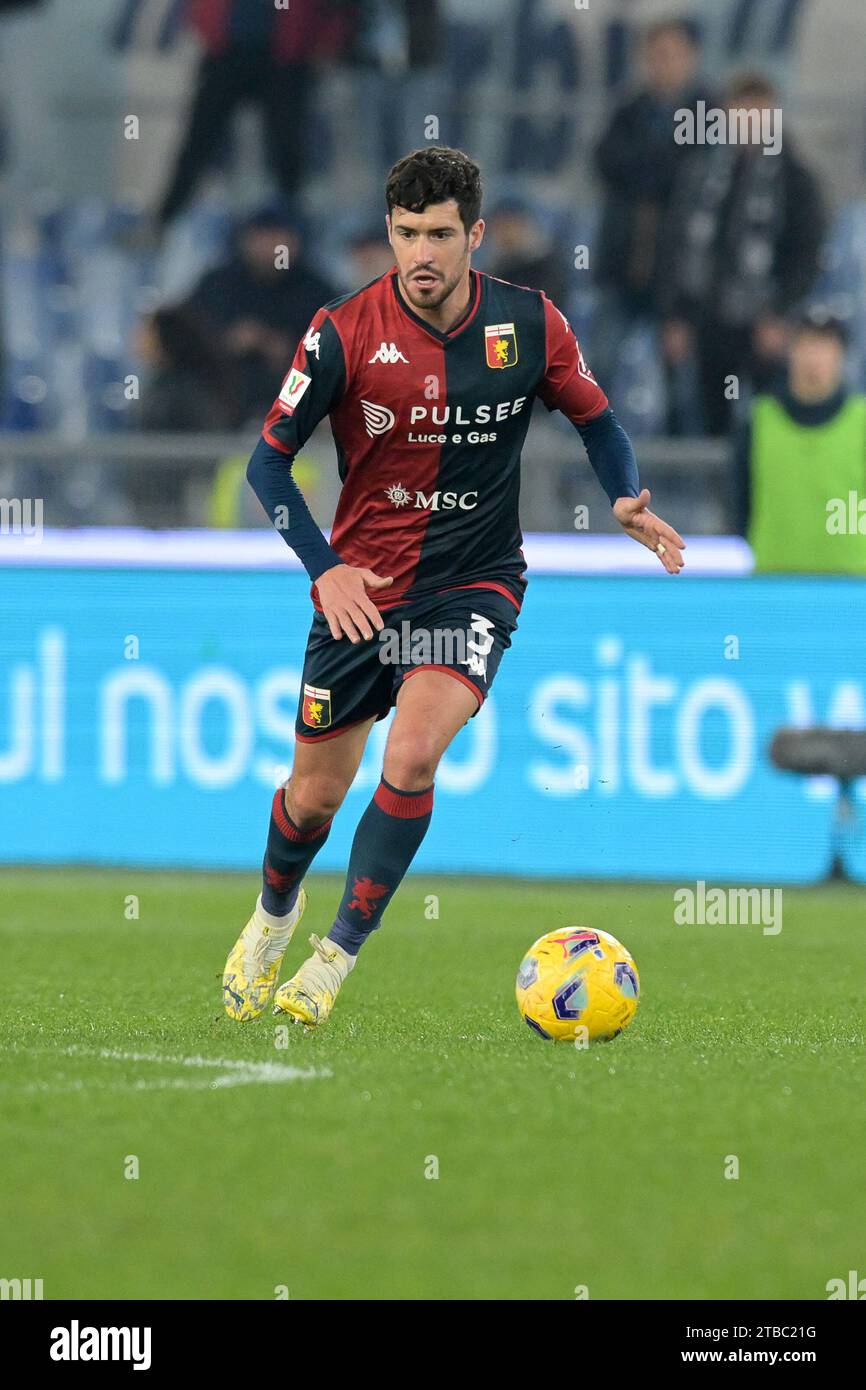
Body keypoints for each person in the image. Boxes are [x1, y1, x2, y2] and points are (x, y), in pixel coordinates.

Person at [220, 146, 685, 1030]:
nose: (421, 253)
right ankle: (273, 921)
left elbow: (597, 417)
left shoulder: (531, 324)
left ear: (474, 234)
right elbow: (268, 466)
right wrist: (325, 572)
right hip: (361, 592)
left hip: (473, 585)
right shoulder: (342, 330)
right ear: (389, 235)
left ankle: (332, 962)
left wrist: (623, 491)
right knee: (313, 796)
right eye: (405, 234)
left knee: (414, 755)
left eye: (439, 234)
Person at [660, 72, 825, 436]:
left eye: (758, 110)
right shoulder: (700, 173)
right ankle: (716, 493)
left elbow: (806, 254)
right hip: (707, 324)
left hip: (764, 326)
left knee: (772, 423)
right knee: (708, 423)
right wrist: (676, 315)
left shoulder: (795, 179)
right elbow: (674, 248)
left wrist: (780, 314)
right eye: (740, 109)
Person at [155, 0, 353, 230]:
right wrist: (207, 31)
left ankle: (291, 224)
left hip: (286, 58)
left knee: (286, 143)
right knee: (199, 138)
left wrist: (324, 44)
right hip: (227, 53)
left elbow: (333, 10)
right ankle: (167, 219)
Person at [591, 18, 708, 392]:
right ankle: (594, 450)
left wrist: (647, 169)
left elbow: (692, 177)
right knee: (596, 373)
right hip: (624, 266)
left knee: (681, 384)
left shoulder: (709, 113)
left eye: (671, 55)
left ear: (691, 58)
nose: (663, 64)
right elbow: (605, 161)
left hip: (680, 278)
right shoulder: (628, 111)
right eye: (656, 55)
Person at [735, 309, 866, 572]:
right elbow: (739, 502)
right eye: (806, 343)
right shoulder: (758, 421)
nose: (814, 356)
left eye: (824, 345)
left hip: (851, 587)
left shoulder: (861, 422)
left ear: (840, 354)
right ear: (791, 351)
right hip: (775, 584)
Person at [183, 206, 340, 423]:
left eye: (277, 235)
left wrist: (287, 349)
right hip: (221, 396)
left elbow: (338, 349)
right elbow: (184, 337)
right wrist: (226, 343)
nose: (269, 245)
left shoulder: (316, 290)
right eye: (260, 236)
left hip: (297, 400)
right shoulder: (217, 285)